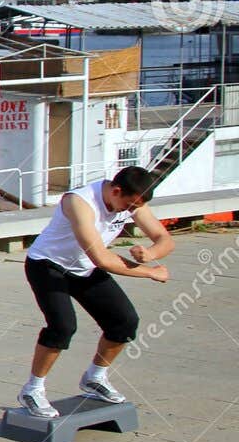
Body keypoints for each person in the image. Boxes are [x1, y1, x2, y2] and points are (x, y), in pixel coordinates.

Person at [19, 166, 173, 418]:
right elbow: (102, 258)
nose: (131, 211)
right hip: (48, 265)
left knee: (124, 322)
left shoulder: (132, 199)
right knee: (63, 327)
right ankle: (32, 390)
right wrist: (150, 271)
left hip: (83, 267)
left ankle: (95, 377)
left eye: (136, 208)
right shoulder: (79, 203)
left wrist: (150, 254)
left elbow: (164, 238)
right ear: (116, 190)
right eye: (129, 206)